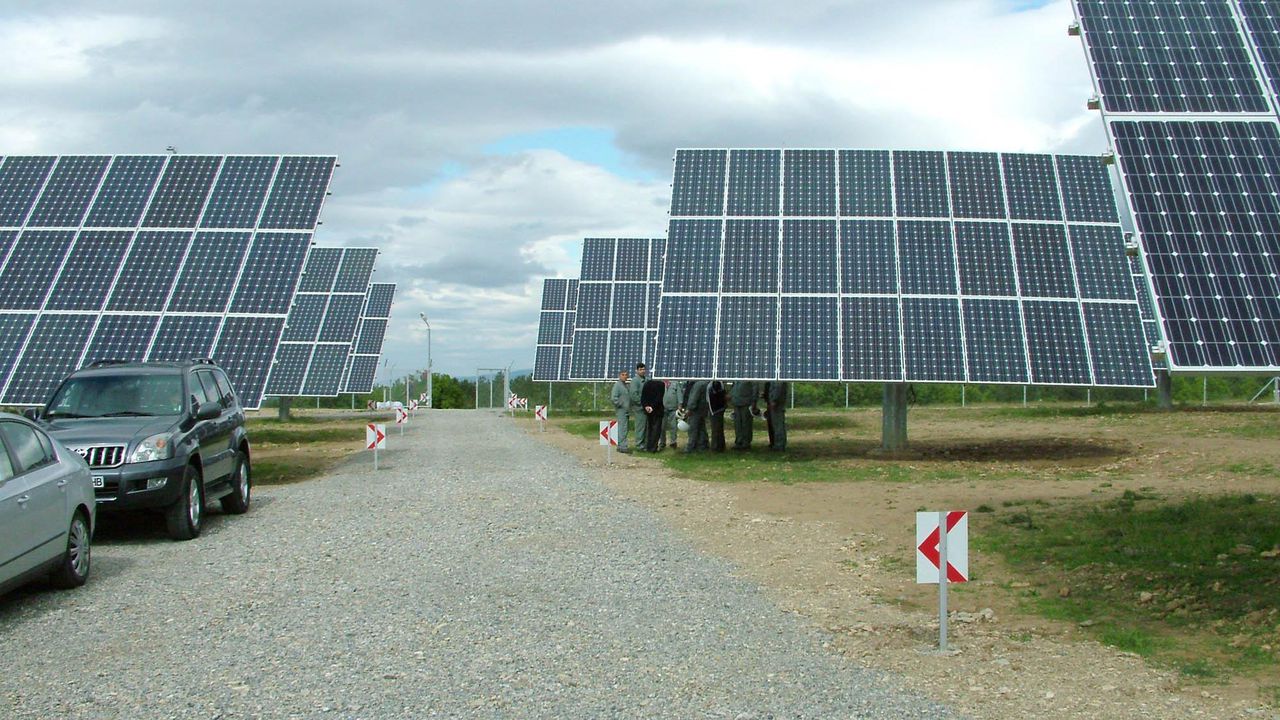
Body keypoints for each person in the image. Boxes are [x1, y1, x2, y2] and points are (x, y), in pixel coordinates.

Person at [641, 371, 665, 452]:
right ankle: (653, 448)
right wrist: (652, 407)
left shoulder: (647, 384)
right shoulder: (661, 384)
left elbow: (643, 397)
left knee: (650, 428)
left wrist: (646, 406)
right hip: (657, 410)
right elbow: (659, 398)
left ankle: (648, 446)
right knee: (656, 429)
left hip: (648, 410)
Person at [682, 379, 709, 453]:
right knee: (701, 427)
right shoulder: (705, 382)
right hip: (703, 409)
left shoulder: (698, 384)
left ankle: (690, 447)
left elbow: (694, 398)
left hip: (696, 410)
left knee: (693, 429)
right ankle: (703, 445)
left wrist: (689, 409)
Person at [730, 381, 757, 450]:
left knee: (746, 424)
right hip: (736, 402)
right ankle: (739, 441)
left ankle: (746, 443)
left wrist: (754, 401)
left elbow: (755, 388)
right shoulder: (736, 375)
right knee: (737, 424)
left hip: (746, 403)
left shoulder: (751, 375)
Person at [610, 370, 632, 453]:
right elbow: (613, 398)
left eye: (626, 375)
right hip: (621, 410)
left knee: (624, 428)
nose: (625, 376)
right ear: (619, 376)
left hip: (626, 410)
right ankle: (622, 446)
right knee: (622, 427)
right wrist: (621, 404)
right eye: (623, 375)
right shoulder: (617, 385)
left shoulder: (626, 385)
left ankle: (621, 445)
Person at [764, 380, 788, 451]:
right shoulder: (775, 378)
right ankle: (777, 443)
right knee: (776, 425)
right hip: (774, 404)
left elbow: (778, 389)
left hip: (777, 405)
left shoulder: (779, 379)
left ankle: (780, 445)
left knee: (778, 426)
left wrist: (774, 400)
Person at [630, 363, 648, 451]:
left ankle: (645, 444)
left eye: (644, 369)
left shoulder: (647, 380)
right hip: (640, 408)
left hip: (647, 408)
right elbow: (634, 395)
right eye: (641, 369)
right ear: (637, 371)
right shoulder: (635, 381)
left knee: (647, 427)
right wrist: (642, 404)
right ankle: (639, 445)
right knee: (640, 427)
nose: (643, 371)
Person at [707, 380, 727, 453]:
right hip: (717, 408)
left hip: (716, 409)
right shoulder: (717, 383)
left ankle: (715, 447)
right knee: (718, 428)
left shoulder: (716, 383)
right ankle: (720, 446)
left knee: (716, 429)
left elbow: (718, 396)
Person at [660, 380, 680, 450]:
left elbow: (679, 394)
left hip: (673, 408)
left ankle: (673, 442)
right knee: (662, 426)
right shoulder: (660, 383)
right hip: (662, 408)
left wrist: (680, 404)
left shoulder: (675, 383)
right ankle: (662, 442)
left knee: (673, 426)